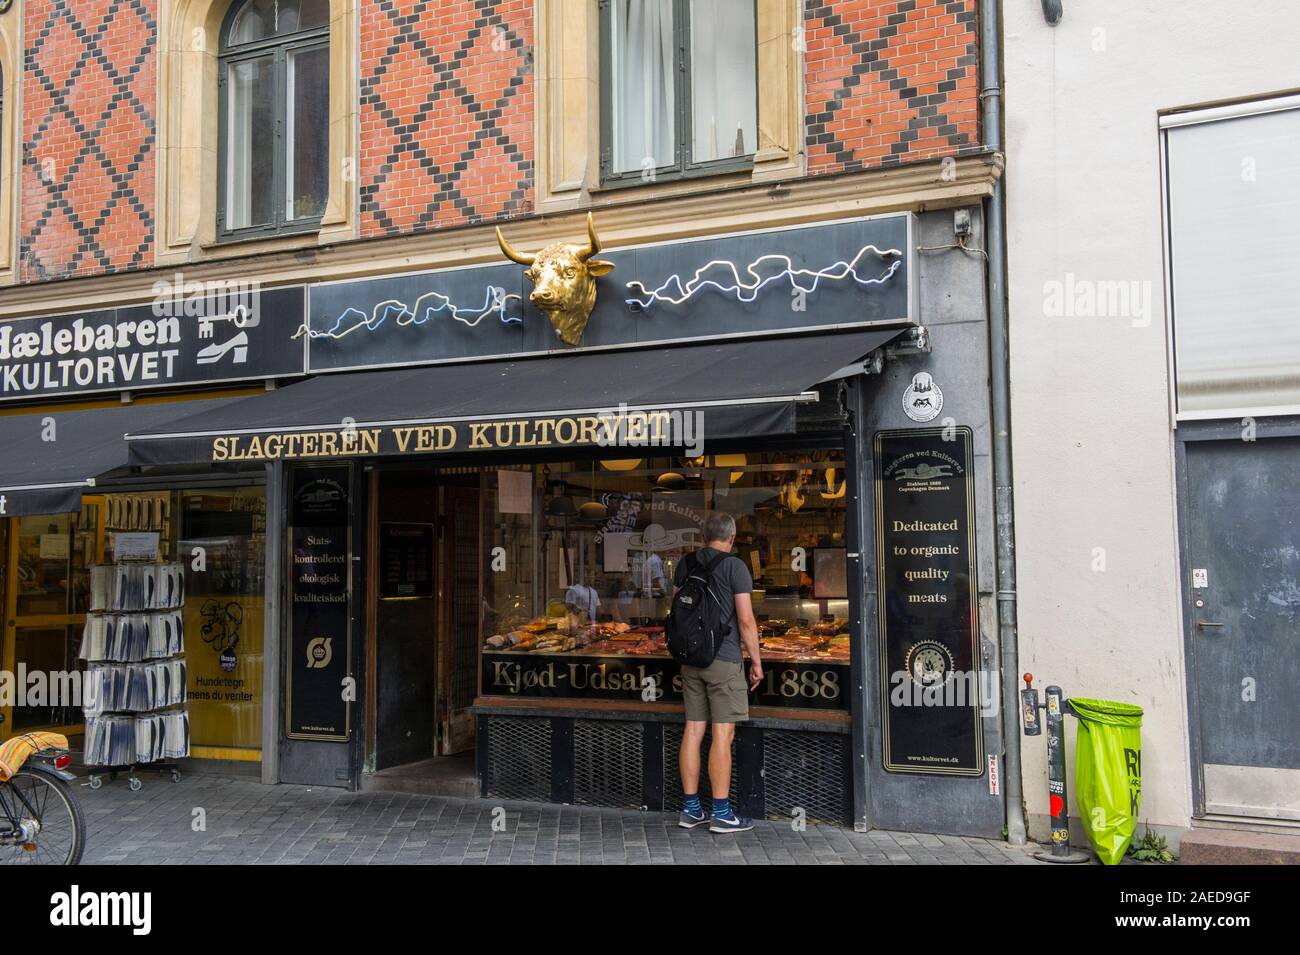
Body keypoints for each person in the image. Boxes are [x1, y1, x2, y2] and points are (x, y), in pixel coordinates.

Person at [673, 511, 762, 833]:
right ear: (732, 537)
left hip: (691, 660)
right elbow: (747, 621)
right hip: (723, 660)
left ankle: (691, 809)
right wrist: (756, 661)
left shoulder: (686, 565)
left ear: (702, 536)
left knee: (694, 731)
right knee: (723, 734)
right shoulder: (735, 566)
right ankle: (722, 813)